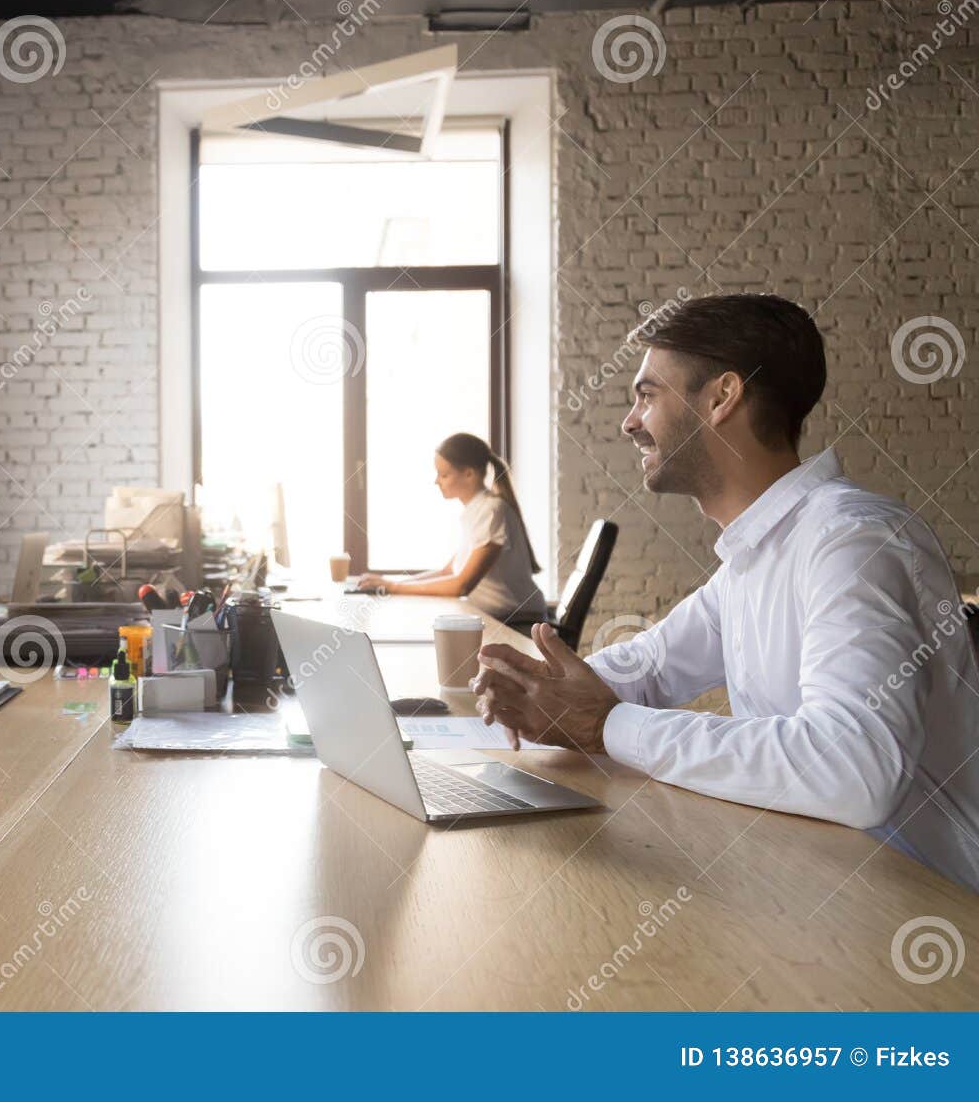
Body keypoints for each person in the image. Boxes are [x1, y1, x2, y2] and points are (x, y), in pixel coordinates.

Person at [472, 294, 979, 892]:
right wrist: (538, 688)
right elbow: (649, 668)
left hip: (933, 909)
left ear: (722, 397)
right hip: (822, 882)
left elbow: (855, 767)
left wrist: (604, 724)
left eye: (647, 395)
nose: (629, 422)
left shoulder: (851, 541)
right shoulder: (753, 558)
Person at [357, 433, 547, 626]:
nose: (436, 481)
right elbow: (447, 572)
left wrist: (392, 587)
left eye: (444, 474)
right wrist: (388, 582)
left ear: (469, 474)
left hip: (517, 623)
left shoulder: (491, 511)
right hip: (501, 619)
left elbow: (461, 585)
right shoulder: (476, 510)